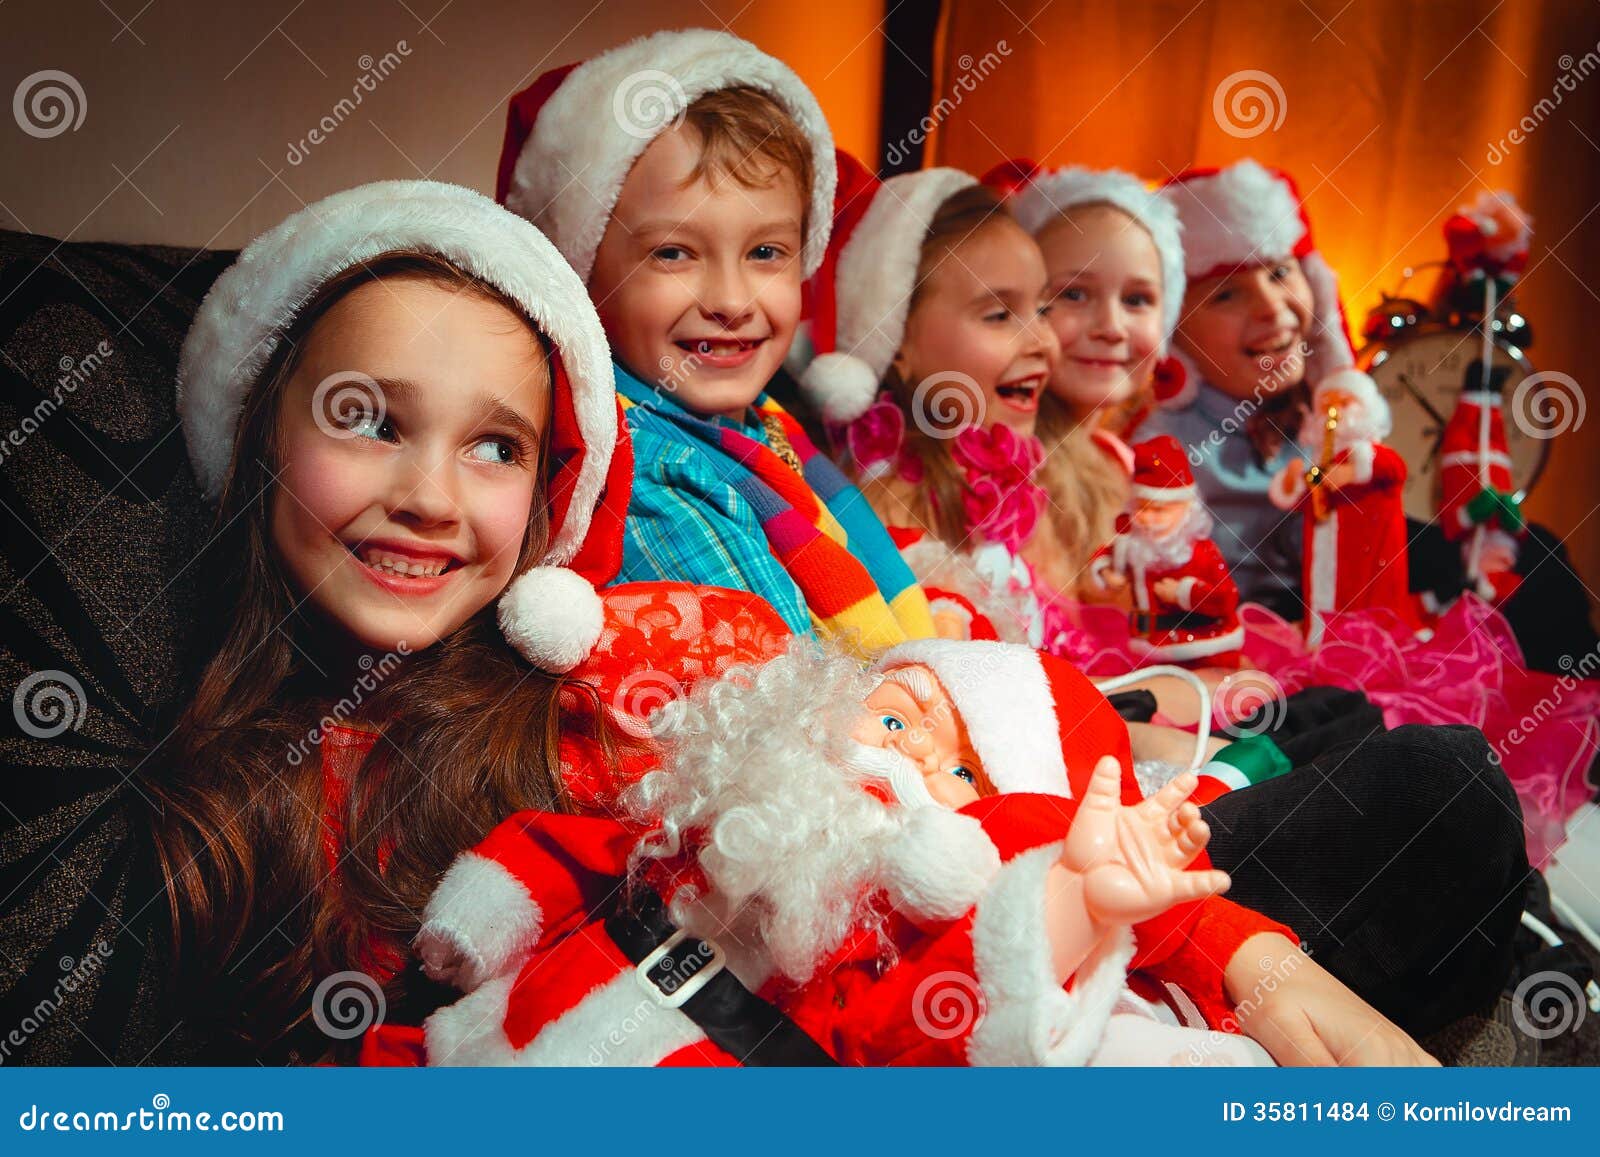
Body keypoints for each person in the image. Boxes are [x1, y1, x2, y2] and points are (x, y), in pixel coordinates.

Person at [386, 632, 1437, 1067]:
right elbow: (563, 847)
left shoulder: (862, 939)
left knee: (1419, 777)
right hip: (464, 1053)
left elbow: (918, 1031)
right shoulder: (687, 825)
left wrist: (1072, 904)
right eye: (895, 717)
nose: (905, 762)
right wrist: (482, 913)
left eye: (961, 773)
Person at [140, 180, 636, 1061]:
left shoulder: (604, 728)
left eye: (496, 447)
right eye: (368, 421)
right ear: (261, 437)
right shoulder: (177, 771)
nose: (429, 500)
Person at [494, 29, 933, 654]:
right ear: (583, 275)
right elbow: (797, 695)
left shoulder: (766, 429)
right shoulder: (645, 476)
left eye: (765, 252)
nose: (731, 300)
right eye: (673, 253)